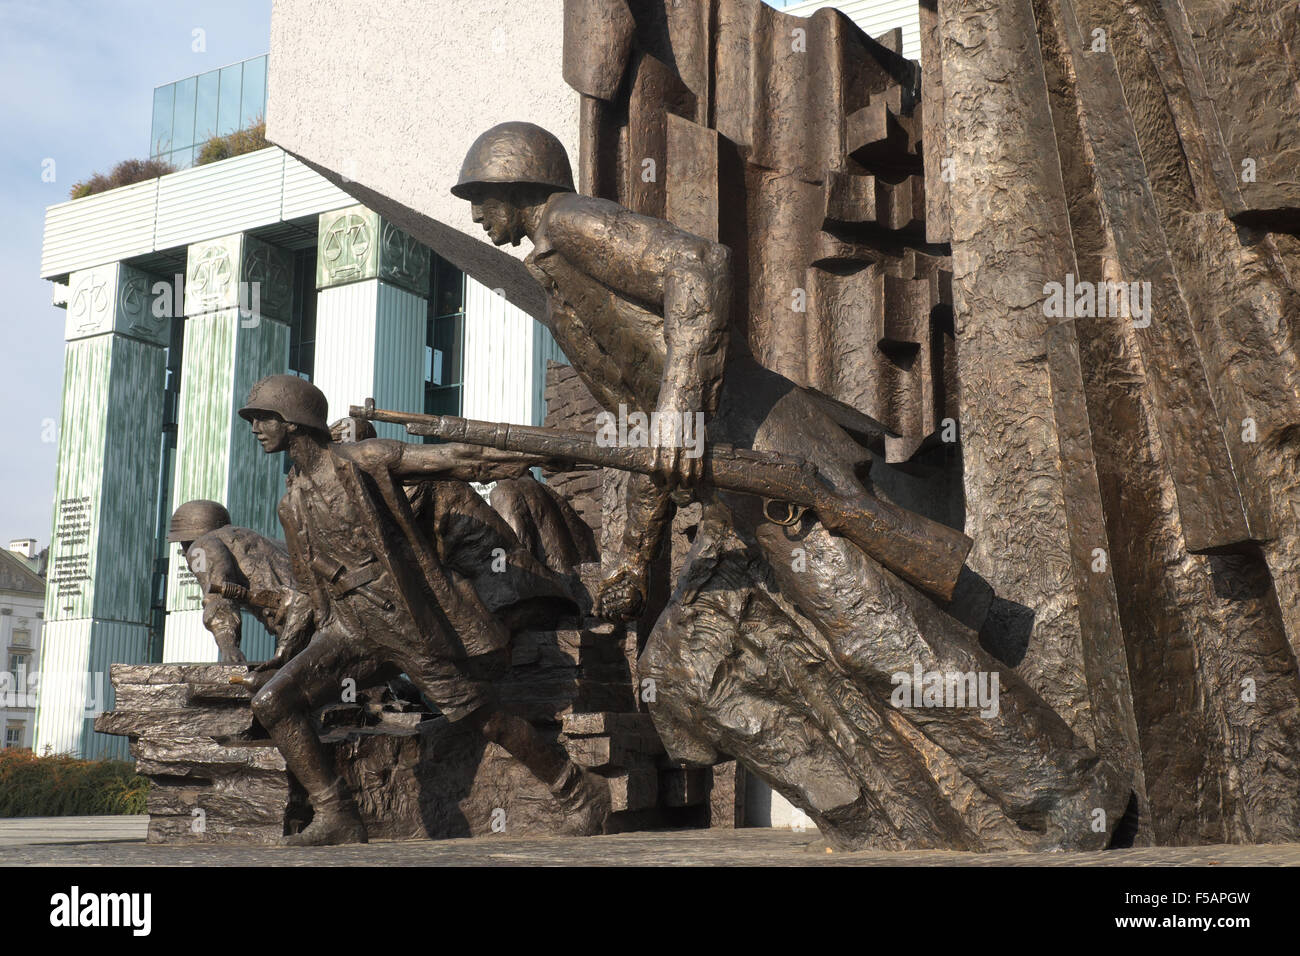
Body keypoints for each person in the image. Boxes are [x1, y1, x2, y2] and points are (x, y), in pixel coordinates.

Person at [449, 122, 1134, 849]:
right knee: (685, 666)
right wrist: (631, 555)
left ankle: (1069, 790)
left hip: (770, 457)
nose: (474, 214)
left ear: (516, 183)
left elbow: (698, 267)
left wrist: (681, 411)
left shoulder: (570, 221)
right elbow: (649, 440)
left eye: (480, 197)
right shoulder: (557, 285)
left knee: (890, 642)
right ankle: (898, 832)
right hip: (726, 499)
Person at [241, 375, 609, 845]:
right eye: (253, 419)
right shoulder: (290, 506)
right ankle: (338, 815)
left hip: (405, 623)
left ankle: (578, 790)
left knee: (485, 719)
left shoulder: (362, 462)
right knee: (274, 700)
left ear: (294, 421)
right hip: (349, 630)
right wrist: (286, 655)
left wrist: (530, 453)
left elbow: (452, 459)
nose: (255, 427)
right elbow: (312, 596)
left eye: (263, 417)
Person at [168, 500, 312, 666]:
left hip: (298, 624)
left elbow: (218, 598)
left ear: (186, 542)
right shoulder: (262, 541)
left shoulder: (200, 547)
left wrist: (228, 647)